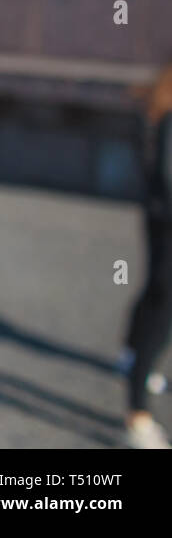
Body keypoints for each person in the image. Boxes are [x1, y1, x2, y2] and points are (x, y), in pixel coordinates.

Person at [117, 62, 172, 448]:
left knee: (156, 296)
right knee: (162, 306)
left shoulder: (159, 105)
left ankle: (133, 355)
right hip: (168, 222)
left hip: (158, 219)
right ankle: (138, 413)